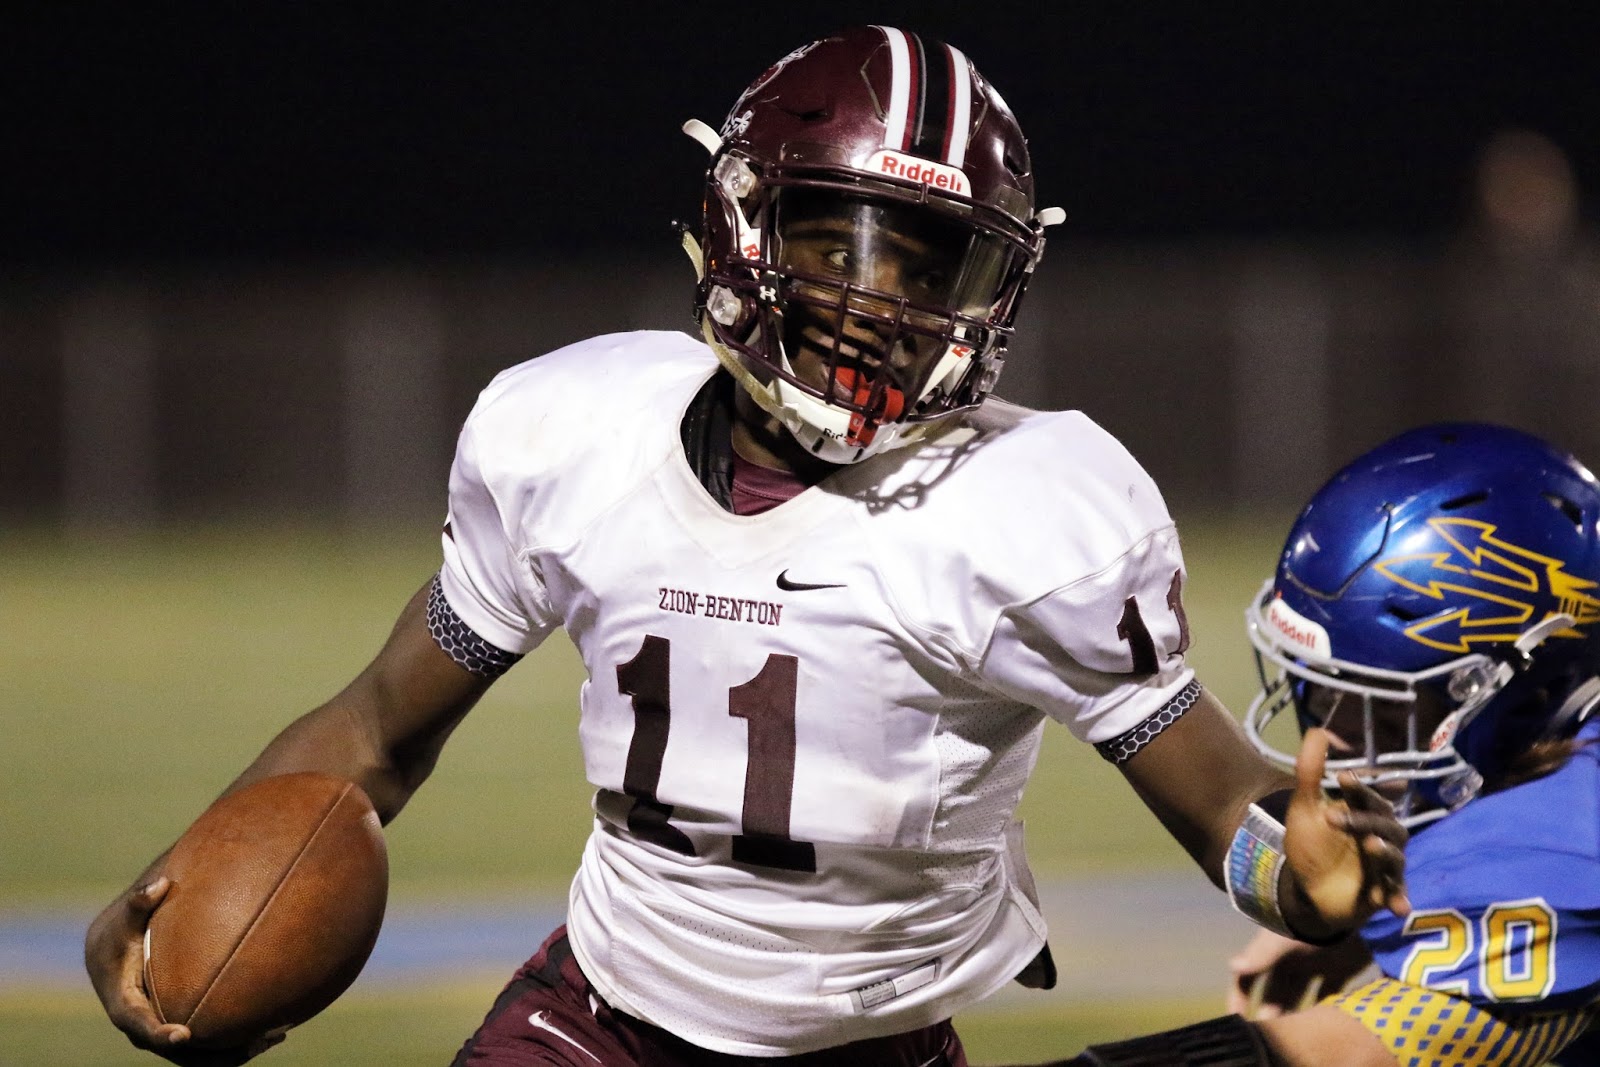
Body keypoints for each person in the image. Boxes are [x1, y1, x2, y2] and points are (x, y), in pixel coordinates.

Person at [85, 26, 1408, 1066]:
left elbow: (1223, 799)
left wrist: (1300, 877)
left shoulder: (1033, 508)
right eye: (841, 239)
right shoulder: (575, 436)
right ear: (743, 223)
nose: (877, 300)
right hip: (594, 1024)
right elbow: (376, 728)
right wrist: (169, 888)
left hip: (872, 1051)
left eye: (930, 264)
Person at [1053, 423, 1600, 1066]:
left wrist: (1422, 897)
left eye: (1386, 713)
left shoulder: (1550, 842)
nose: (1333, 741)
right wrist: (1368, 929)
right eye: (1323, 694)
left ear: (1529, 690)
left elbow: (1338, 1058)